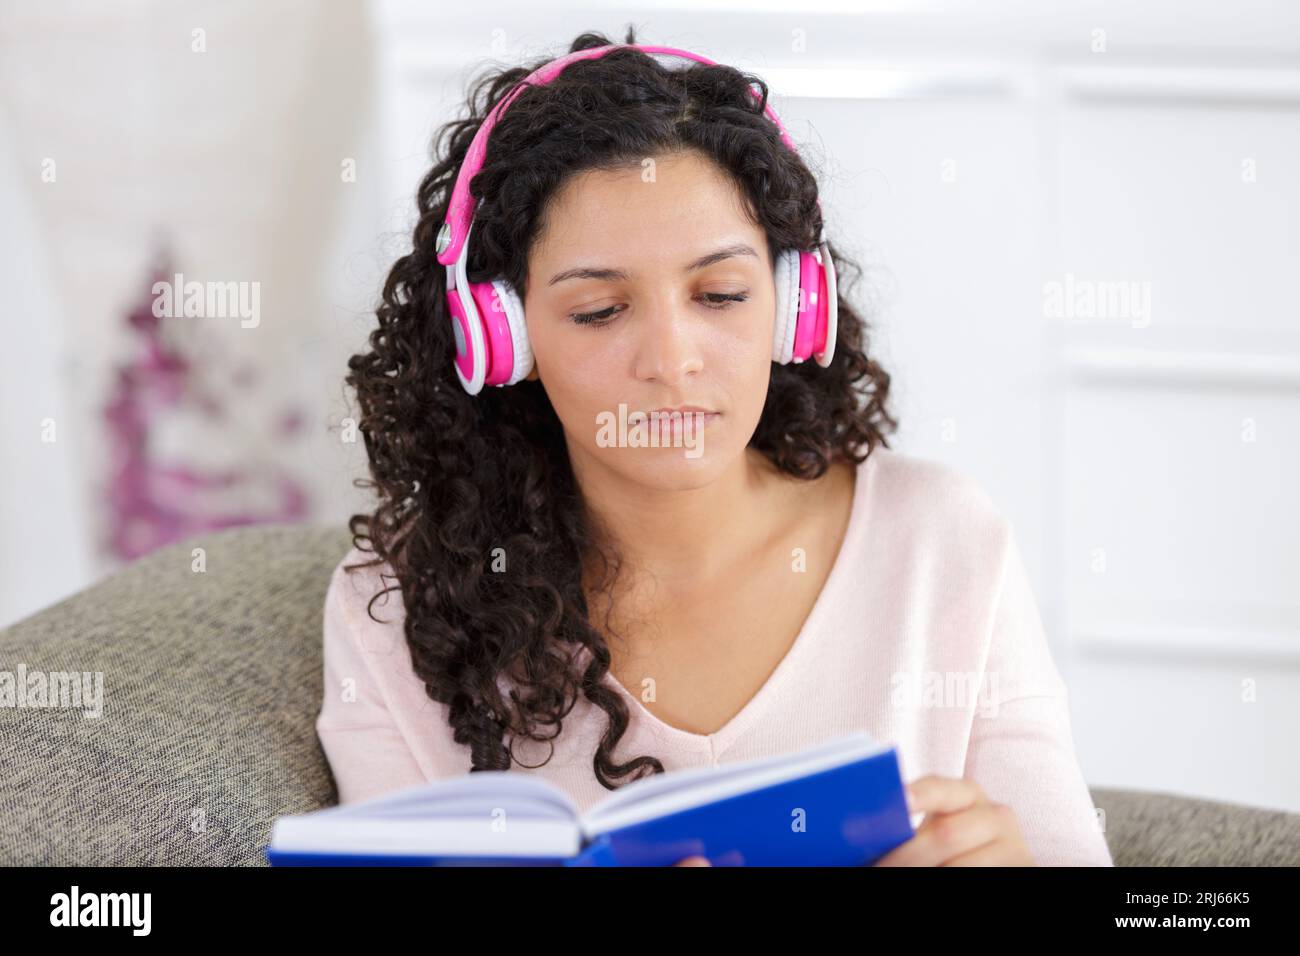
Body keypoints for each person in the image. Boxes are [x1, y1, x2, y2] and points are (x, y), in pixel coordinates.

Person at [318, 26, 1112, 867]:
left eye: (723, 294)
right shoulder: (394, 611)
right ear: (501, 338)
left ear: (793, 304)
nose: (672, 361)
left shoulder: (940, 539)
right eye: (598, 311)